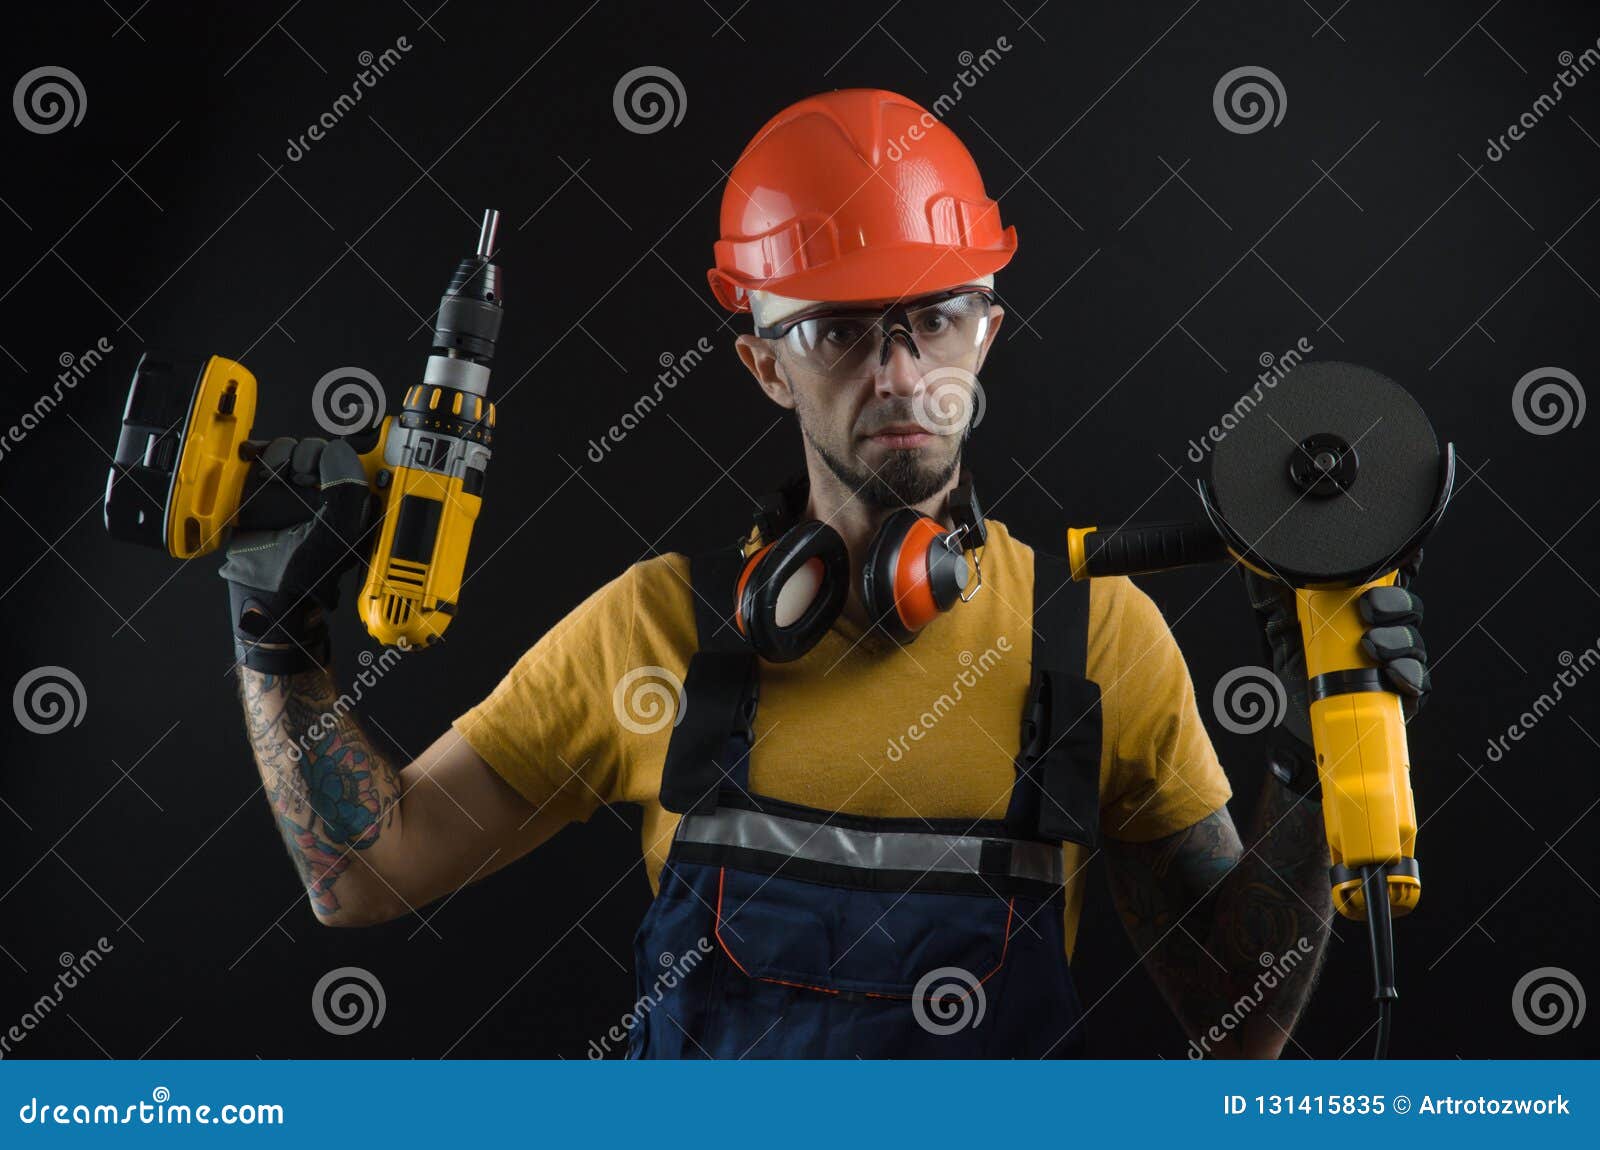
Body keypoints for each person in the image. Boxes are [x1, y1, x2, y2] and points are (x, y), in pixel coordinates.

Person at [222, 89, 1431, 1058]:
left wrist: (1333, 760)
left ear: (988, 331)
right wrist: (277, 642)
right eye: (841, 331)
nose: (902, 374)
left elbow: (1243, 1016)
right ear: (763, 363)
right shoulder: (662, 629)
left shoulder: (1091, 636)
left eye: (938, 317)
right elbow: (364, 876)